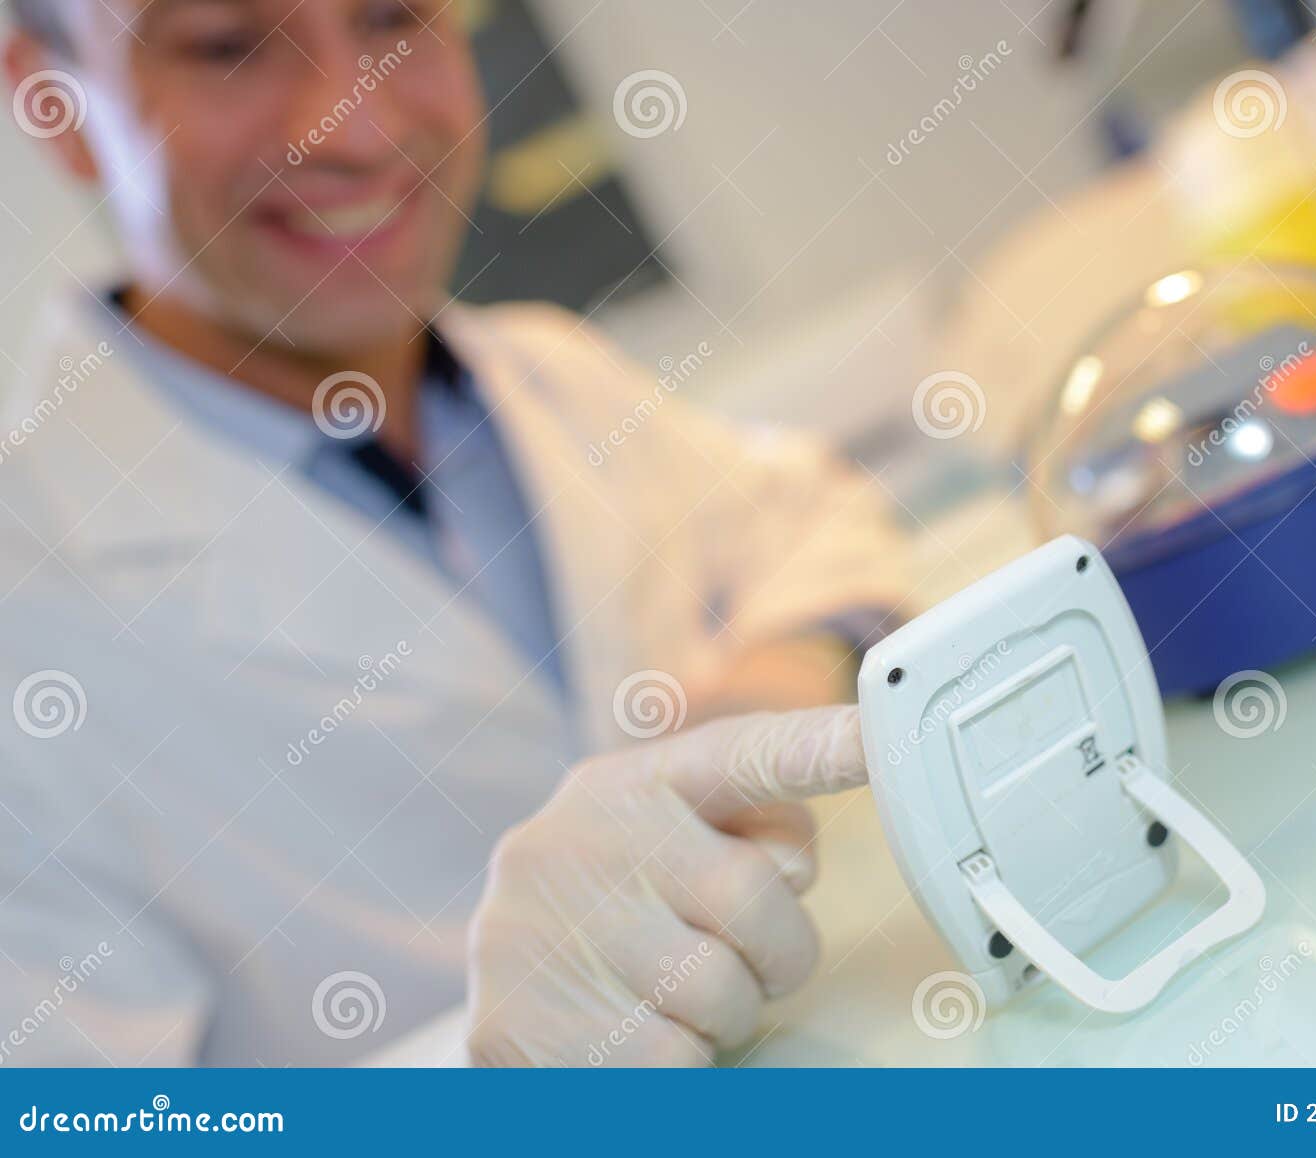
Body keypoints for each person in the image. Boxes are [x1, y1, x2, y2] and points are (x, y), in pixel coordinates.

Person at [0, 0, 910, 1066]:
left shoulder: (544, 369)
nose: (358, 127)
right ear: (49, 99)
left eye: (394, 15)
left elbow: (809, 518)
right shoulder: (33, 614)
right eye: (227, 46)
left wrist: (764, 689)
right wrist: (477, 1078)